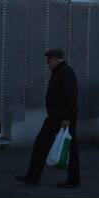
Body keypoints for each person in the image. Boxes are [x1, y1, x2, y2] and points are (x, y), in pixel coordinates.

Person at [16, 48, 80, 188]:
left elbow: (70, 97)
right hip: (58, 116)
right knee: (64, 146)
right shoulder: (61, 72)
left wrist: (66, 118)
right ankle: (71, 179)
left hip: (61, 117)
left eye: (49, 59)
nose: (47, 61)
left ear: (56, 59)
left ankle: (35, 176)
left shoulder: (64, 73)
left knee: (46, 144)